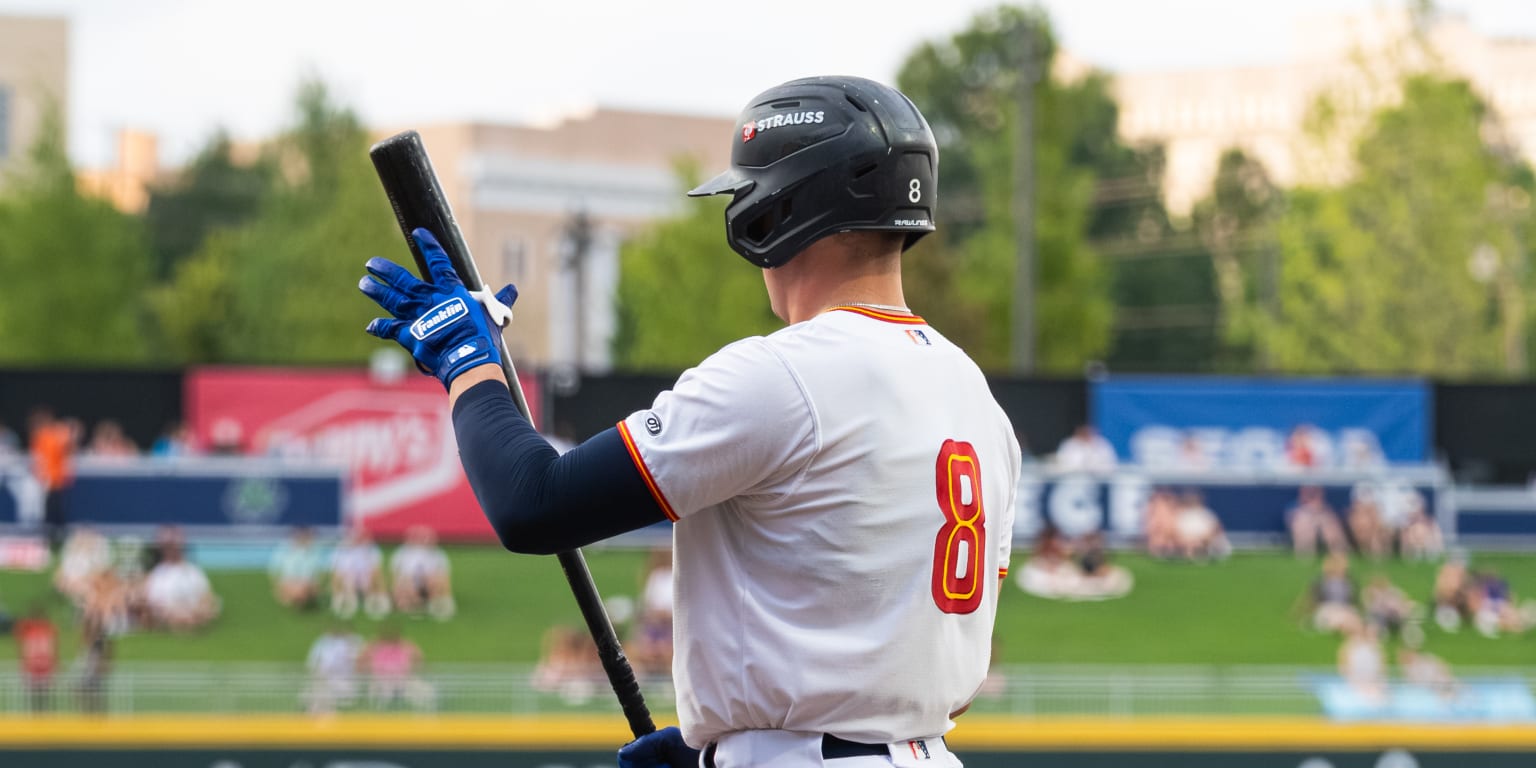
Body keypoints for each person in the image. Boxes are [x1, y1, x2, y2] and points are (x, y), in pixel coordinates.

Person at [358, 76, 1020, 768]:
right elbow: (929, 664)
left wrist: (467, 360)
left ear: (779, 209)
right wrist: (730, 741)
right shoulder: (975, 397)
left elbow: (533, 503)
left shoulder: (785, 374)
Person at [142, 535, 220, 631]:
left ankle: (188, 620)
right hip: (171, 613)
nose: (173, 551)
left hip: (191, 611)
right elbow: (152, 604)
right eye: (169, 548)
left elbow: (208, 597)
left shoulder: (193, 571)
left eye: (176, 547)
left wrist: (198, 611)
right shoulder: (156, 575)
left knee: (212, 605)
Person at [27, 407, 76, 551]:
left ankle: (56, 541)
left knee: (55, 512)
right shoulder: (41, 437)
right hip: (47, 480)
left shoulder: (55, 433)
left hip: (55, 480)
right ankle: (49, 541)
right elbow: (38, 459)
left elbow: (68, 446)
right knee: (48, 513)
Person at [389, 525, 455, 620]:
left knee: (435, 580)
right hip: (408, 585)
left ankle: (431, 604)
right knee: (405, 588)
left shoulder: (439, 555)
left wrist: (448, 595)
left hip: (427, 584)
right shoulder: (401, 554)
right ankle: (416, 604)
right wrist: (395, 593)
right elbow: (395, 576)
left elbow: (444, 577)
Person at [363, 624, 430, 711]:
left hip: (404, 682)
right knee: (381, 691)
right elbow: (363, 663)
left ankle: (422, 713)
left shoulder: (405, 646)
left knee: (424, 690)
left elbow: (419, 659)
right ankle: (377, 712)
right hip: (383, 682)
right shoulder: (376, 647)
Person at [329, 527, 389, 620]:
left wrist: (382, 591)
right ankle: (348, 603)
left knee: (368, 578)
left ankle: (370, 603)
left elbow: (376, 570)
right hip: (348, 579)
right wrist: (336, 591)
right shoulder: (342, 551)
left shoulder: (371, 550)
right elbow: (337, 572)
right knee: (349, 578)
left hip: (365, 579)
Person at [305, 623, 363, 715]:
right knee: (318, 693)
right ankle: (315, 711)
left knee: (330, 694)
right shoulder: (325, 642)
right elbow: (315, 661)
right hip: (327, 676)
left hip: (341, 677)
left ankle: (325, 711)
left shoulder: (350, 642)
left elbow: (352, 660)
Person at [1295, 553, 1360, 634]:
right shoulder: (1321, 581)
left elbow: (1354, 601)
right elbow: (1310, 600)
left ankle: (1348, 628)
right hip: (1327, 609)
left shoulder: (1349, 582)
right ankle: (1345, 628)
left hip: (1345, 608)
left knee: (1351, 617)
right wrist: (1299, 613)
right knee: (1339, 618)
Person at [13, 603, 58, 712]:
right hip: (35, 666)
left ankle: (40, 716)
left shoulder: (45, 629)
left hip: (41, 666)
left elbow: (53, 648)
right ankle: (38, 716)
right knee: (37, 695)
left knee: (41, 695)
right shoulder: (33, 629)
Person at [269, 527, 326, 611]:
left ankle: (299, 596)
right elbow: (275, 570)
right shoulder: (285, 551)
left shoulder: (315, 552)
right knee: (294, 589)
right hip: (291, 581)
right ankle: (296, 596)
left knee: (302, 588)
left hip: (304, 581)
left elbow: (319, 573)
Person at [1285, 485, 1348, 558]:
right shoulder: (1295, 508)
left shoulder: (1326, 508)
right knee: (1304, 525)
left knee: (1331, 530)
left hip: (1322, 511)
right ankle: (1305, 558)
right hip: (1301, 512)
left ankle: (1339, 558)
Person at [1053, 425, 1118, 473]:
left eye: (1088, 432)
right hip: (1071, 480)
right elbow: (1063, 463)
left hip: (1098, 480)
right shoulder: (1069, 444)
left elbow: (1110, 462)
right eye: (1083, 432)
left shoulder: (1102, 443)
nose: (1086, 435)